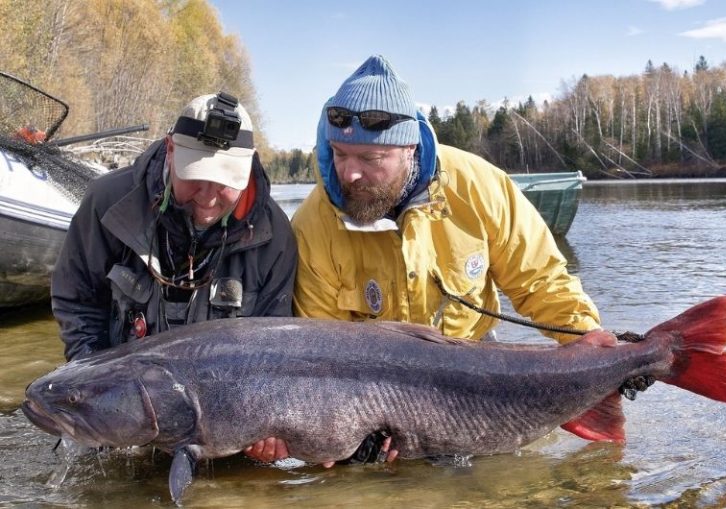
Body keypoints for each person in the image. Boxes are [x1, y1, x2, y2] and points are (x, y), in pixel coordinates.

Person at [245, 55, 601, 464]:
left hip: (474, 370)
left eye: (370, 159)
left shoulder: (480, 185)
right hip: (369, 388)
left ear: (409, 148)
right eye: (340, 154)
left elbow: (540, 280)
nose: (350, 174)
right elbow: (319, 357)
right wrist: (333, 438)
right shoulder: (313, 224)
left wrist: (589, 343)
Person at [51, 92, 297, 361]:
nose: (208, 198)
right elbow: (77, 303)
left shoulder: (274, 235)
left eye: (225, 183)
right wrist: (94, 379)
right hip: (125, 389)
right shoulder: (108, 203)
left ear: (249, 165)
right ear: (170, 150)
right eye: (195, 178)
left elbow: (272, 347)